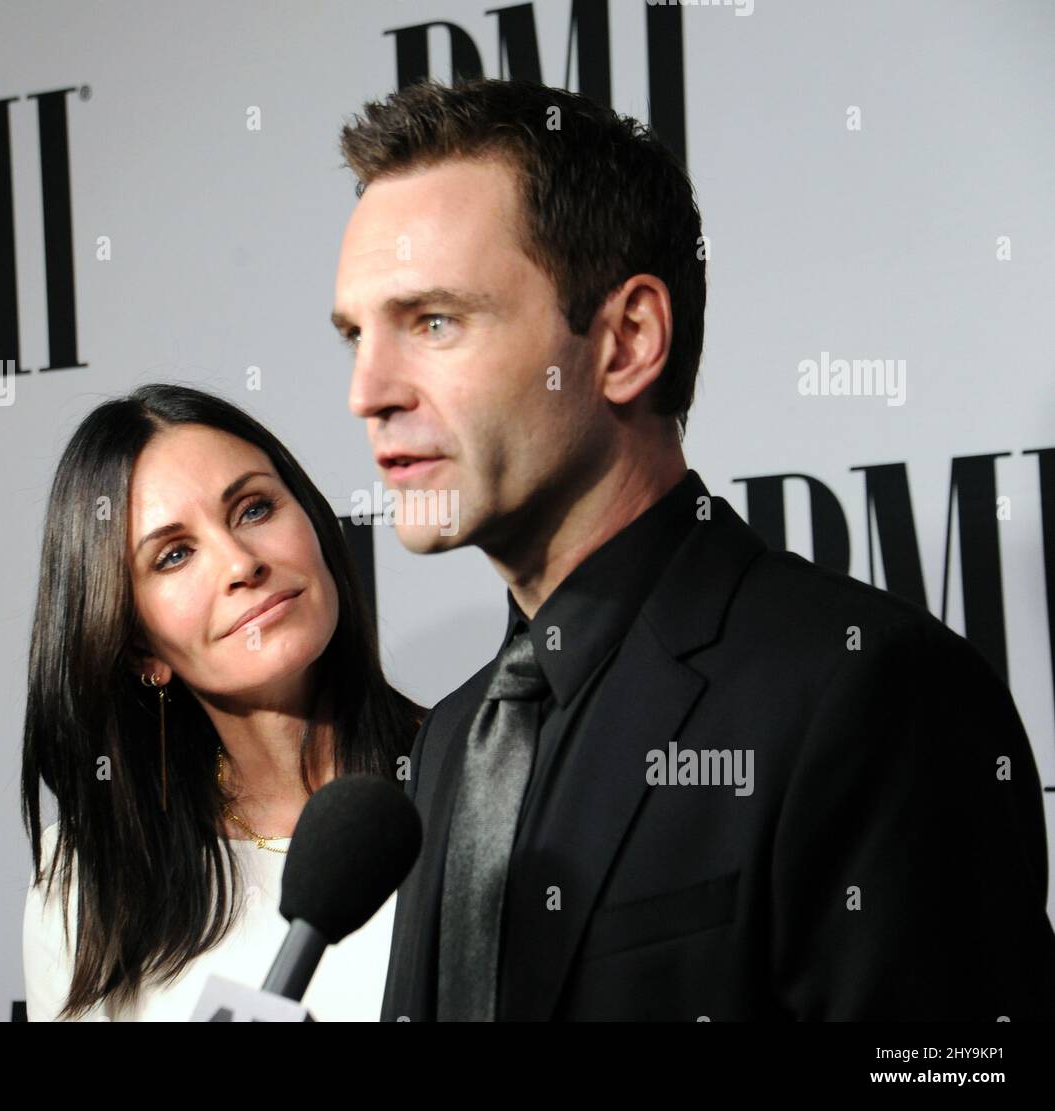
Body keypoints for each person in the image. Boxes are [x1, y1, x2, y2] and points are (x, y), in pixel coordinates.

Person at [329, 78, 1055, 1020]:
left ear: (627, 341)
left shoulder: (866, 695)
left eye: (434, 321)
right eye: (355, 335)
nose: (368, 390)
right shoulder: (450, 743)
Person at [20, 384, 423, 1020]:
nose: (241, 563)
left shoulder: (486, 777)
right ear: (139, 650)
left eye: (255, 509)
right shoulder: (88, 887)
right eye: (174, 555)